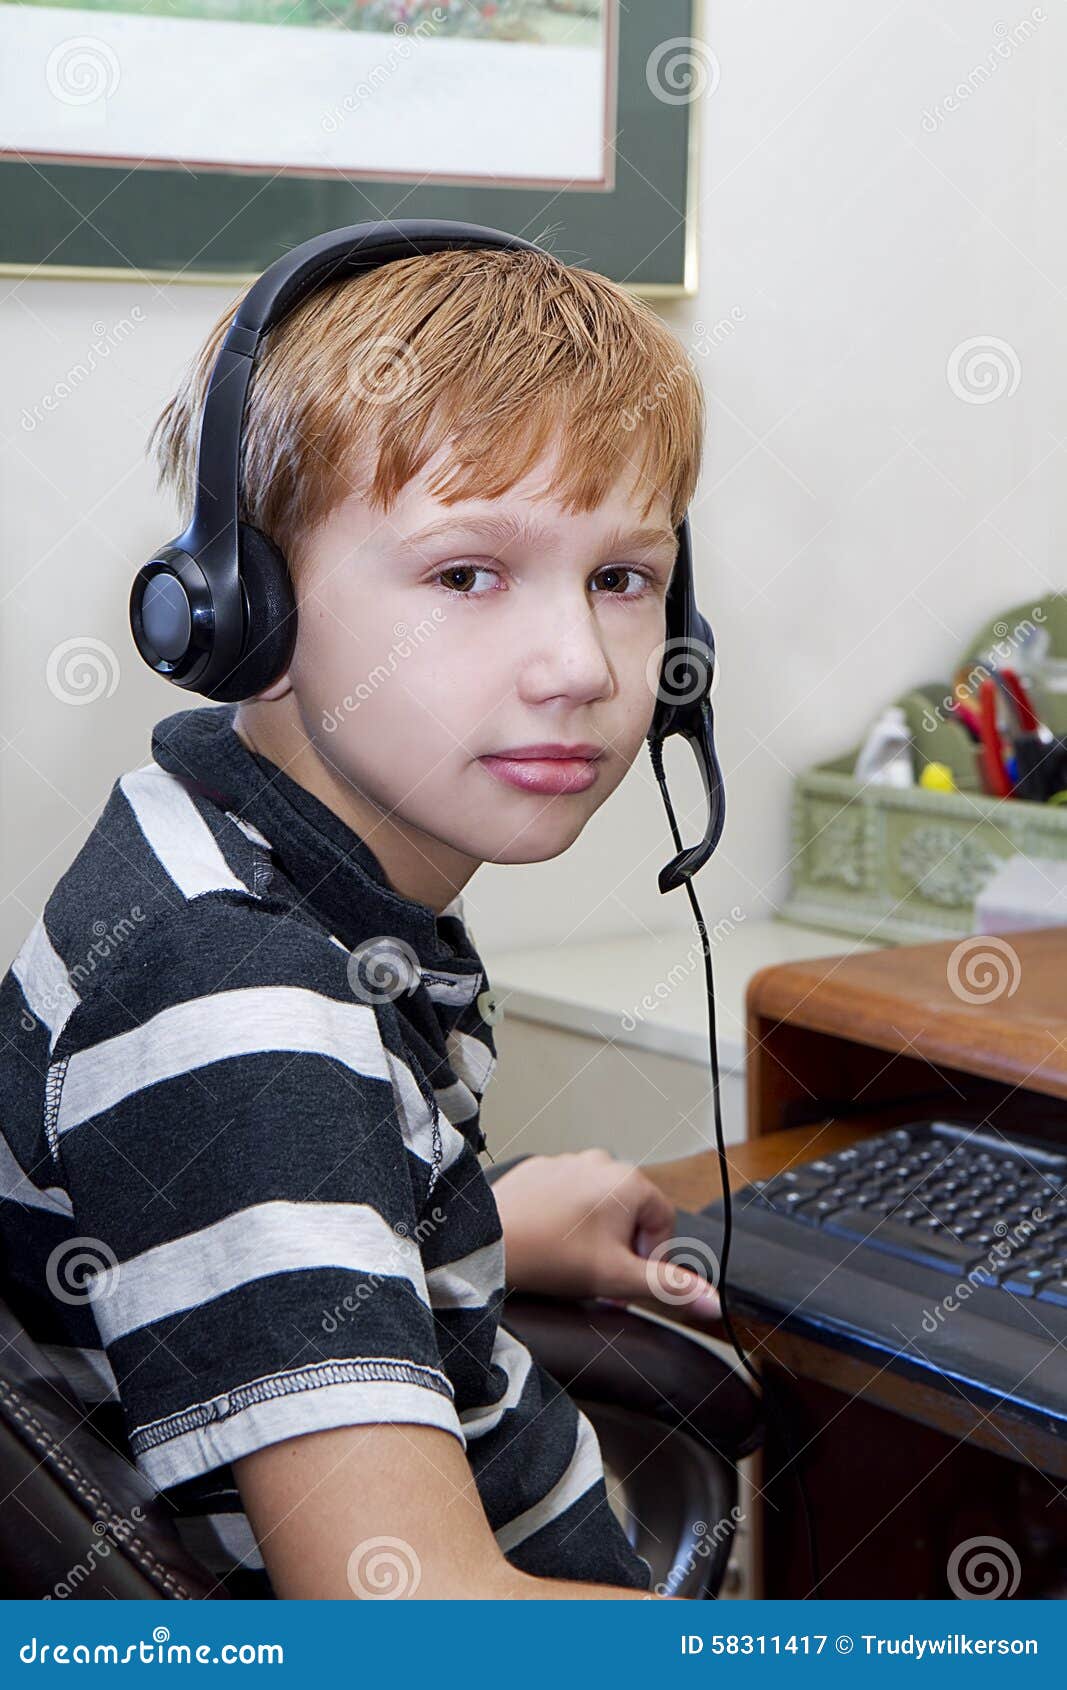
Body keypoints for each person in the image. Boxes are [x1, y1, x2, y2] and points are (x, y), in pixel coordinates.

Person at [0, 242, 719, 1599]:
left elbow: (239, 1211)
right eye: (466, 575)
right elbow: (413, 1627)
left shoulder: (238, 869)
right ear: (243, 609)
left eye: (622, 577)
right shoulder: (230, 989)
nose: (579, 666)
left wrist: (478, 1225)